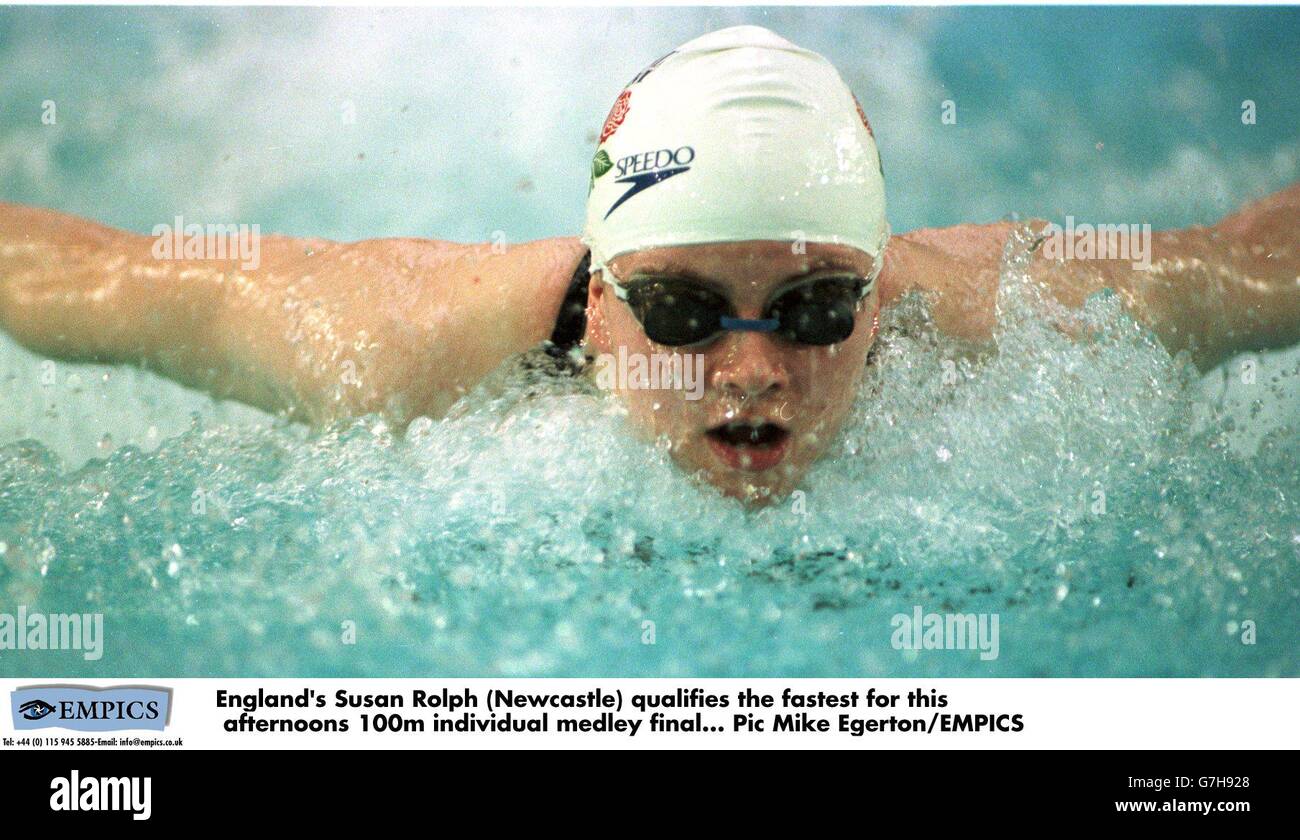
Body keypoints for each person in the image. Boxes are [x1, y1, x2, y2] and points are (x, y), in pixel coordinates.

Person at [1, 25, 1297, 502]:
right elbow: (90, 275)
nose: (753, 366)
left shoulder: (1033, 320)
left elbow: (1258, 259)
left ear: (876, 292)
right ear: (603, 295)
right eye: (680, 310)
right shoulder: (392, 340)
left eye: (814, 305)